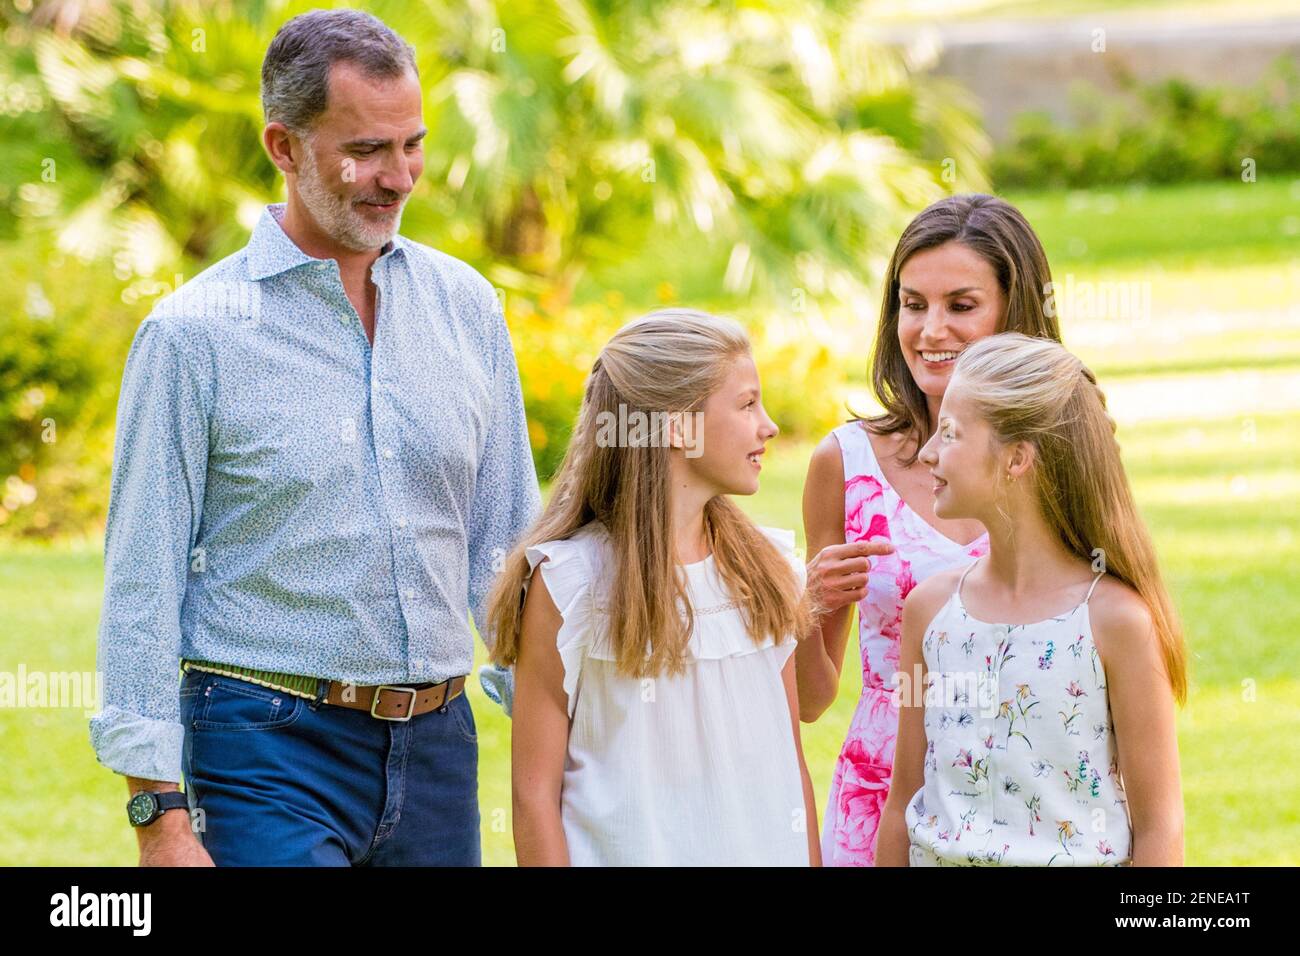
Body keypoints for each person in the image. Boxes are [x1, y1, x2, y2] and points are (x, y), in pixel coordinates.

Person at [89, 8, 540, 866]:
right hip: (263, 742)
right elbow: (143, 577)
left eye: (411, 144)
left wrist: (559, 717)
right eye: (365, 150)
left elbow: (508, 539)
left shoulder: (468, 307)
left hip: (439, 747)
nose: (398, 176)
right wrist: (159, 815)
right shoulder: (192, 336)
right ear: (283, 146)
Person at [487, 309, 821, 865]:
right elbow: (533, 798)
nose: (769, 425)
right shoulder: (570, 582)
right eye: (746, 404)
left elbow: (793, 767)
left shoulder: (769, 570)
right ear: (677, 425)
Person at [798, 194, 1064, 866]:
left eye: (961, 305)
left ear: (1016, 311)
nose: (930, 329)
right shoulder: (846, 465)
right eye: (912, 304)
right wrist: (809, 605)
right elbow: (809, 699)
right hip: (882, 803)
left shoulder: (1063, 458)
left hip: (1031, 795)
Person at [875, 332, 1187, 866]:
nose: (927, 453)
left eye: (949, 434)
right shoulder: (930, 612)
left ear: (1017, 458)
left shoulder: (1114, 622)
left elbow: (1161, 830)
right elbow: (905, 798)